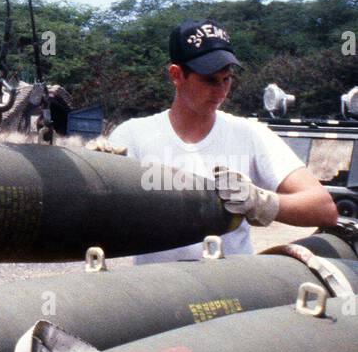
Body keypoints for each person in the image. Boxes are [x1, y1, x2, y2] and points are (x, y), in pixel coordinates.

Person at [109, 19, 338, 263]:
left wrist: (260, 202)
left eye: (226, 79)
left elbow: (323, 208)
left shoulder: (248, 134)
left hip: (229, 282)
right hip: (163, 283)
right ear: (177, 75)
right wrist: (96, 171)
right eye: (209, 80)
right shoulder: (133, 136)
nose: (221, 91)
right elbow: (103, 219)